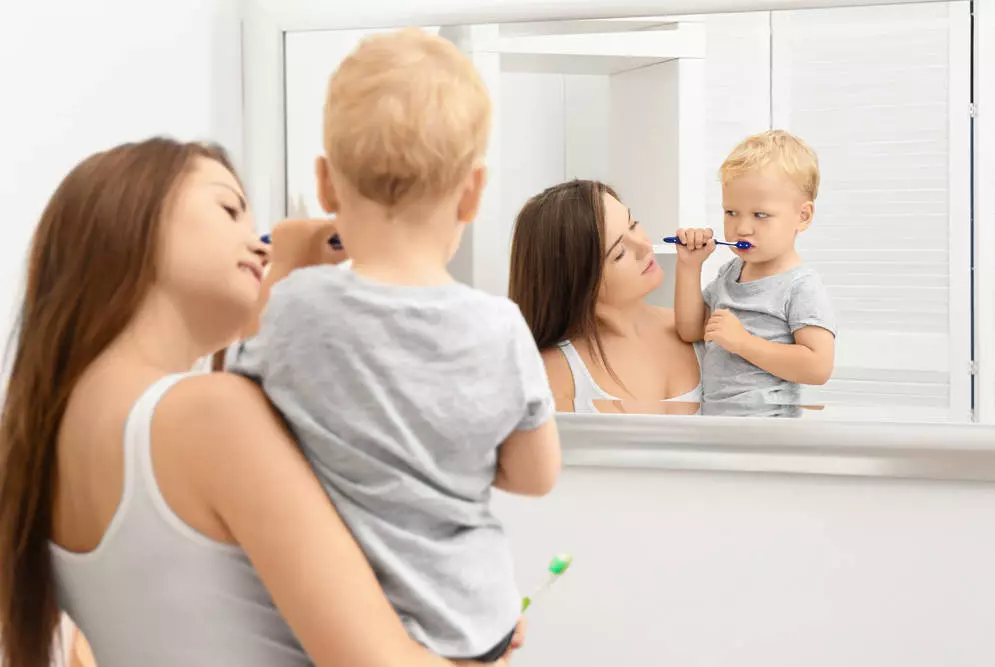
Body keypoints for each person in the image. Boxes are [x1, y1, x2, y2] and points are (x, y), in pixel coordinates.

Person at [0, 138, 521, 667]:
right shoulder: (207, 416)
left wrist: (290, 271)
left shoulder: (47, 441)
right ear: (132, 218)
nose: (261, 245)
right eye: (229, 210)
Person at [230, 29, 560, 662]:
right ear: (473, 190)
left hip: (340, 622)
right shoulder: (500, 326)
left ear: (325, 186)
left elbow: (242, 402)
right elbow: (536, 476)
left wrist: (288, 265)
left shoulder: (296, 309)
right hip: (475, 621)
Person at [508, 179, 702, 415]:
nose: (643, 246)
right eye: (619, 253)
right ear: (578, 281)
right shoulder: (556, 372)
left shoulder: (697, 329)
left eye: (633, 225)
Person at [673, 130, 837, 406]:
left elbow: (818, 367)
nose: (742, 228)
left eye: (760, 215)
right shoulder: (729, 273)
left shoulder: (800, 286)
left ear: (803, 216)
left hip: (768, 432)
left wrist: (743, 342)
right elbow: (691, 330)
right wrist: (689, 266)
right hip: (721, 426)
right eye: (731, 212)